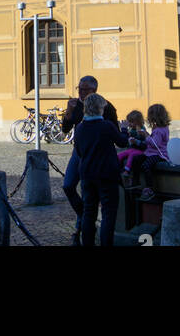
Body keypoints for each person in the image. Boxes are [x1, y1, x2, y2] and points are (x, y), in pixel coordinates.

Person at [58, 76, 119, 243]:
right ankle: (82, 214)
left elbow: (115, 131)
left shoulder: (105, 105)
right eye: (79, 88)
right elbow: (65, 129)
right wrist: (68, 112)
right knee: (68, 185)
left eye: (85, 89)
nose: (81, 92)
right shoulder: (75, 104)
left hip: (99, 154)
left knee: (92, 199)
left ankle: (83, 224)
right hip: (80, 153)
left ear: (94, 90)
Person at [73, 93, 126, 247]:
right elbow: (122, 142)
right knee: (108, 214)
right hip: (106, 174)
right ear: (99, 108)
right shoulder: (106, 126)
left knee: (89, 213)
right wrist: (124, 130)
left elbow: (79, 151)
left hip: (87, 175)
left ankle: (87, 244)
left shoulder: (80, 128)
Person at [135, 103, 172, 201]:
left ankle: (149, 188)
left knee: (146, 165)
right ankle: (136, 181)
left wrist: (146, 136)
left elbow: (155, 144)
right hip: (150, 153)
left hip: (159, 154)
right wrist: (147, 134)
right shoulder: (160, 128)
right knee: (136, 159)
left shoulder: (159, 130)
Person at [116, 110, 147, 180]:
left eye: (131, 122)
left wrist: (136, 141)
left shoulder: (142, 130)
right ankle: (117, 168)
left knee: (132, 156)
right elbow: (127, 141)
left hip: (140, 150)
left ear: (138, 122)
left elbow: (144, 143)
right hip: (131, 149)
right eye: (129, 122)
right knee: (120, 155)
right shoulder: (131, 129)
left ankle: (127, 171)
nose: (129, 124)